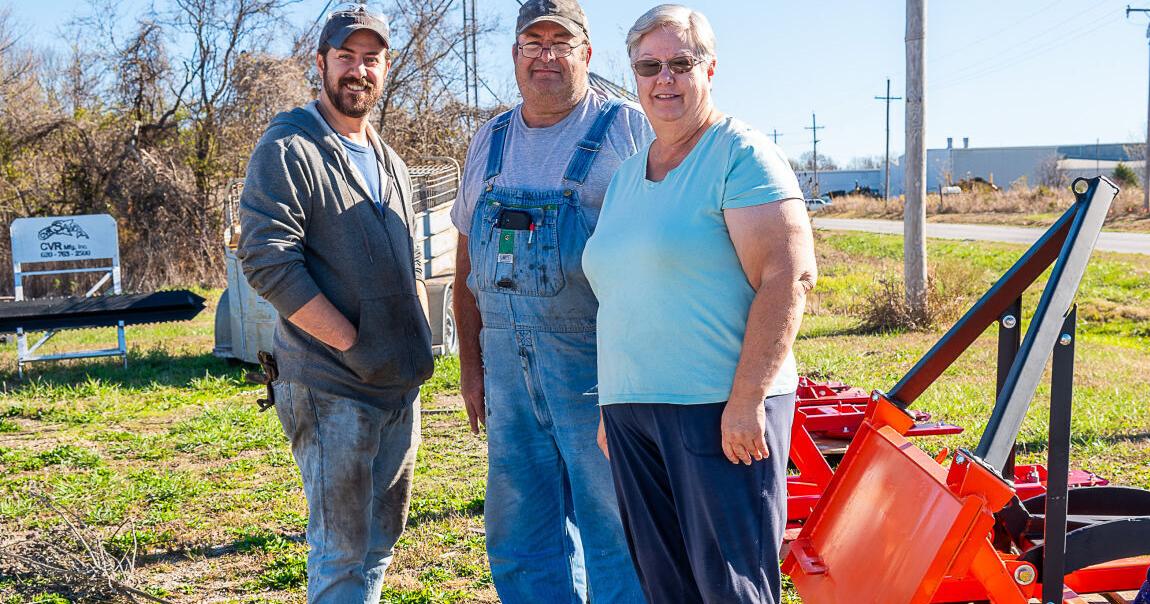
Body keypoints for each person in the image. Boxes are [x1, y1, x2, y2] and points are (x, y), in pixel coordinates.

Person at [582, 5, 817, 604]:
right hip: (633, 411)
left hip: (718, 408)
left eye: (680, 64)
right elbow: (622, 292)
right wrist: (613, 406)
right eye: (649, 66)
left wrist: (748, 401)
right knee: (666, 586)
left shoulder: (741, 156)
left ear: (709, 68)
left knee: (731, 588)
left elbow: (787, 276)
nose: (665, 79)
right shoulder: (629, 174)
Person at [450, 1, 652, 601]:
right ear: (514, 56)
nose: (545, 54)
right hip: (506, 373)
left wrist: (639, 385)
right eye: (532, 42)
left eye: (560, 42)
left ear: (587, 54)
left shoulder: (627, 130)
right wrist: (471, 366)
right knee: (519, 535)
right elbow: (467, 267)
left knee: (615, 530)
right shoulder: (490, 139)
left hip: (598, 370)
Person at [237, 5, 434, 603]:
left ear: (386, 68)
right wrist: (353, 342)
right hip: (330, 388)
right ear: (320, 64)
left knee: (377, 542)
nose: (358, 70)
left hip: (396, 387)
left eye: (370, 59)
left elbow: (413, 266)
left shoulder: (390, 160)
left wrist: (413, 345)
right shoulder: (290, 146)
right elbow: (267, 260)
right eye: (345, 57)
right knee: (341, 549)